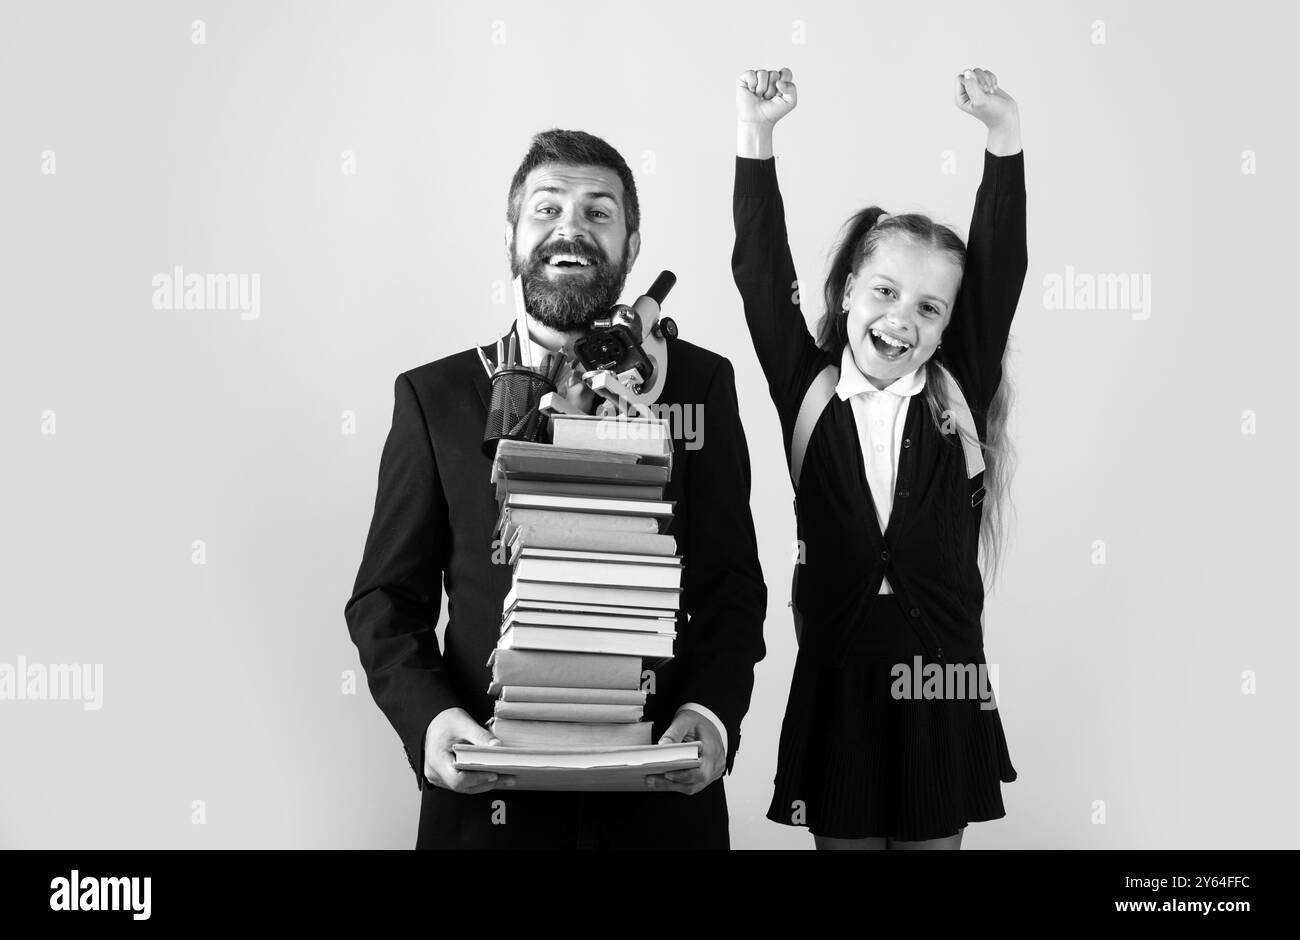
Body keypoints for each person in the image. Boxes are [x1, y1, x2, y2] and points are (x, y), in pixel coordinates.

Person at [346, 128, 767, 849]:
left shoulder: (701, 386)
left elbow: (730, 588)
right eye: (547, 209)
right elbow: (386, 602)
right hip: (486, 807)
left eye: (598, 212)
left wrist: (709, 714)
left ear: (632, 246)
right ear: (512, 235)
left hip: (661, 805)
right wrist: (434, 723)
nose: (570, 227)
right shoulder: (433, 396)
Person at [732, 67, 1026, 849]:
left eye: (929, 309)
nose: (902, 320)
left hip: (943, 677)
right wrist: (756, 136)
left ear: (947, 328)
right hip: (841, 678)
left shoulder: (955, 393)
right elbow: (760, 276)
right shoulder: (810, 393)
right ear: (850, 289)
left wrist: (1003, 136)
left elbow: (1000, 267)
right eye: (885, 293)